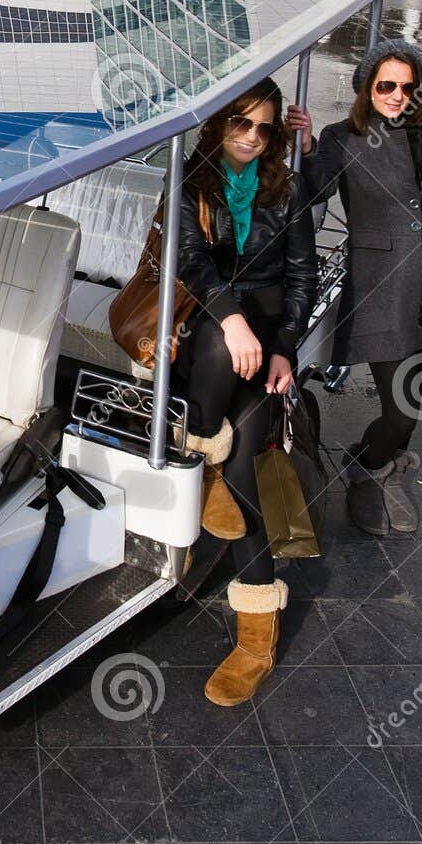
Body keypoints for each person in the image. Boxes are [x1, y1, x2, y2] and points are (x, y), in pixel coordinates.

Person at [288, 38, 422, 536]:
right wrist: (310, 146)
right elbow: (312, 192)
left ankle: (375, 470)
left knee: (414, 396)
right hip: (380, 286)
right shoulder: (342, 137)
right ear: (366, 86)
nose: (398, 95)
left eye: (407, 86)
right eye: (387, 85)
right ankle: (368, 467)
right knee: (402, 407)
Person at [173, 77, 318, 707]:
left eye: (264, 127)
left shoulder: (287, 189)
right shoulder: (192, 180)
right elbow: (191, 261)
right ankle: (205, 462)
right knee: (212, 341)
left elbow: (302, 276)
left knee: (245, 484)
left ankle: (256, 640)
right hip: (209, 335)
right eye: (241, 122)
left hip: (266, 344)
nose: (252, 137)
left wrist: (284, 345)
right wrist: (231, 319)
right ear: (219, 123)